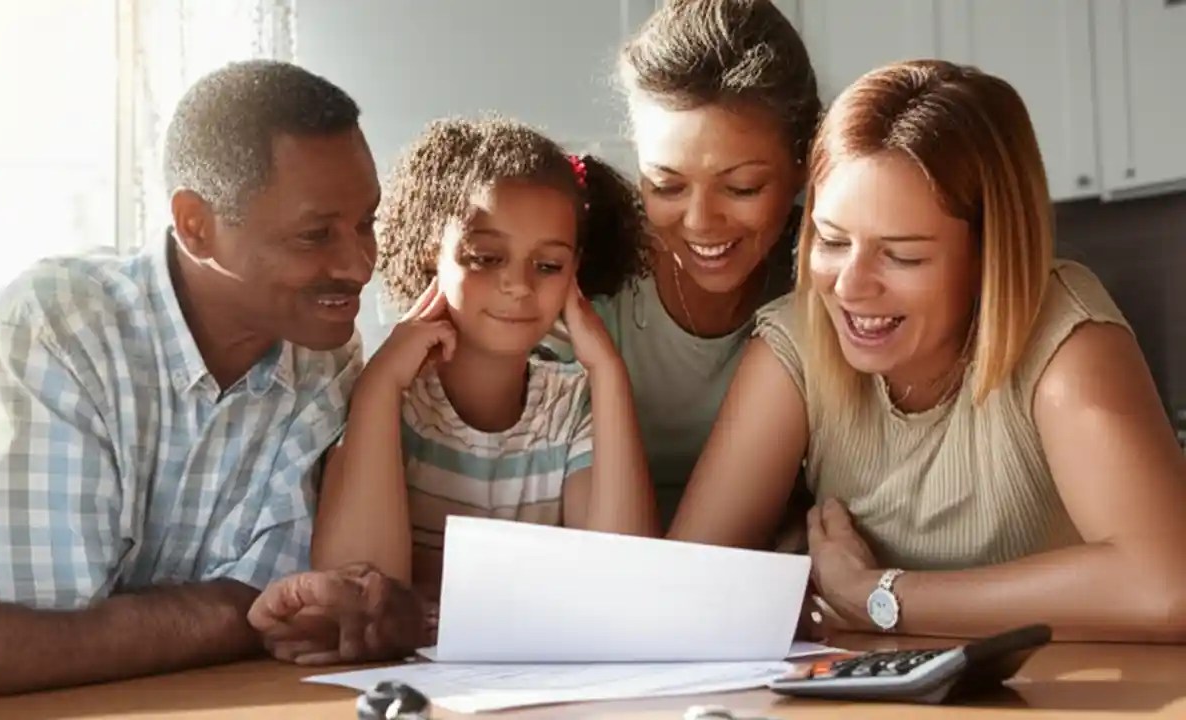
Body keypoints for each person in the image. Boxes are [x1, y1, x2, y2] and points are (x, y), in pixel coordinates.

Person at [0, 60, 424, 705]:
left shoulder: (328, 357)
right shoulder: (56, 323)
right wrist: (237, 613)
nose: (358, 264)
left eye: (366, 222)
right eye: (314, 235)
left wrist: (285, 611)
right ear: (197, 226)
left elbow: (298, 614)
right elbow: (21, 643)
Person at [671, 59, 1186, 643]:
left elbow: (1168, 586)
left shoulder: (1067, 340)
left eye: (903, 255)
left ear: (990, 257)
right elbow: (680, 587)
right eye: (833, 241)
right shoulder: (795, 344)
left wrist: (879, 596)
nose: (849, 285)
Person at [311, 117, 659, 603]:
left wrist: (608, 372)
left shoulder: (574, 404)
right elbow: (358, 596)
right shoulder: (392, 400)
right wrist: (378, 386)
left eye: (548, 266)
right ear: (435, 254)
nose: (518, 285)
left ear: (574, 274)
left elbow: (623, 585)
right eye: (485, 257)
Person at [559, 0, 822, 525]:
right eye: (667, 184)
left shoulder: (832, 285)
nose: (701, 221)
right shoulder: (586, 273)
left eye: (742, 187)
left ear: (804, 163)